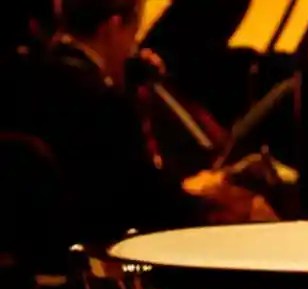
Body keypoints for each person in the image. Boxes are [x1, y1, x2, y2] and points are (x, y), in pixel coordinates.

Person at [6, 0, 268, 254]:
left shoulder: (20, 80)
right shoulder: (103, 102)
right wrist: (208, 201)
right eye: (133, 34)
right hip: (96, 263)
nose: (134, 48)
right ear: (112, 26)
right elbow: (149, 207)